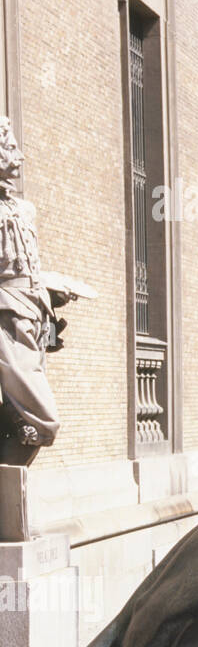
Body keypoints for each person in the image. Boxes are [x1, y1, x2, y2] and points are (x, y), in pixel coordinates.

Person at [0, 116, 59, 465]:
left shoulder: (25, 209)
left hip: (36, 317)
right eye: (9, 147)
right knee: (43, 421)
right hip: (9, 317)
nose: (19, 156)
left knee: (26, 423)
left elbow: (29, 270)